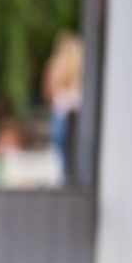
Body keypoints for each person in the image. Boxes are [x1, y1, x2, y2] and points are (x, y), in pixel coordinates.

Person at [42, 31, 83, 185]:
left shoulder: (55, 65)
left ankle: (64, 180)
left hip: (59, 113)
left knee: (60, 154)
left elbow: (48, 91)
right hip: (72, 113)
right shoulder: (77, 64)